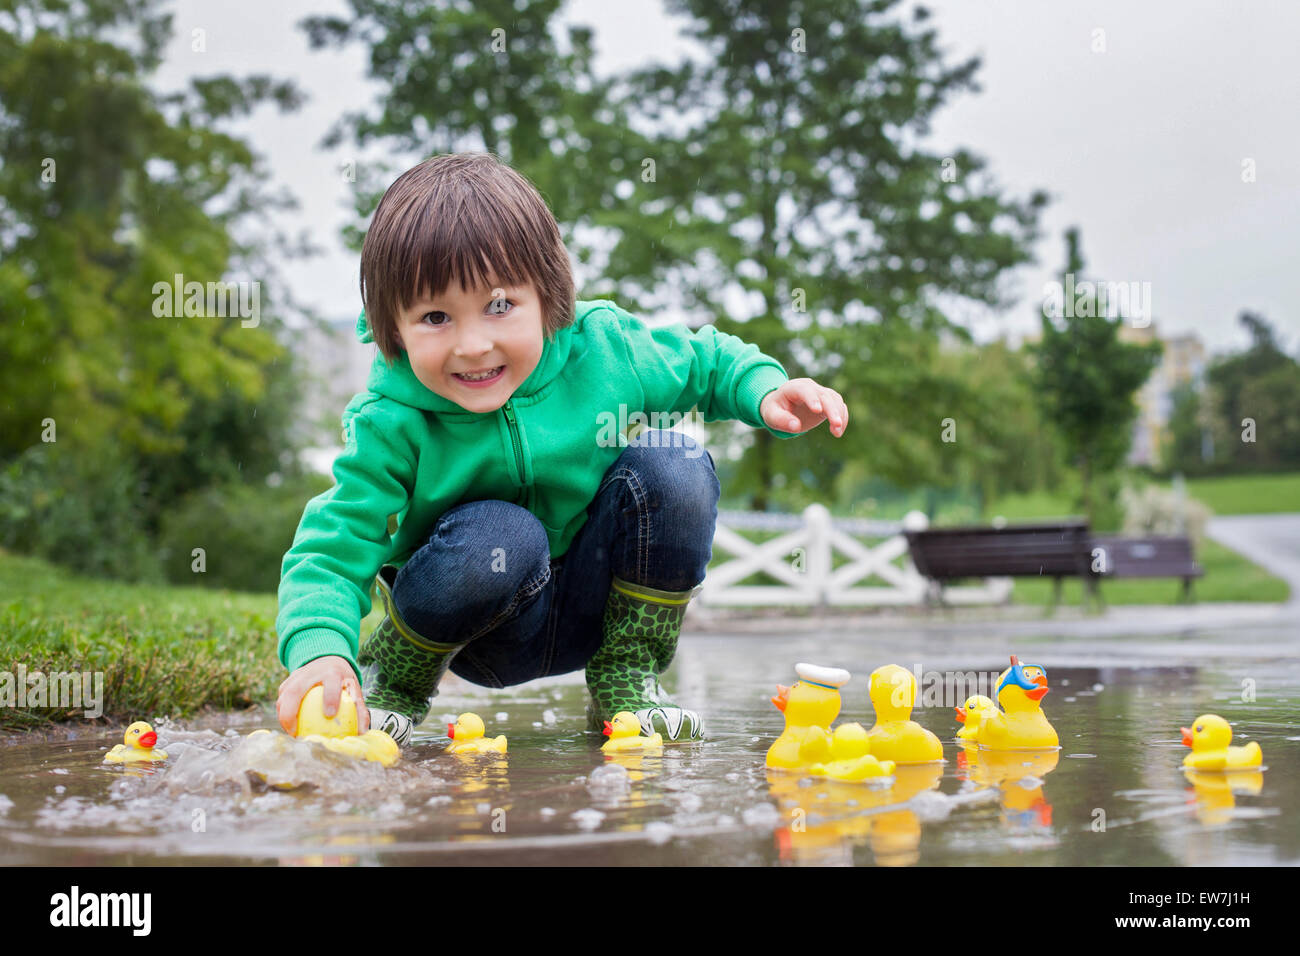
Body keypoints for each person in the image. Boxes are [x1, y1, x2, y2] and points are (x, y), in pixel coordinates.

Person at [274, 152, 849, 746]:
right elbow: (332, 548)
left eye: (500, 305)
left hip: (591, 607)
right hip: (476, 627)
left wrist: (766, 390)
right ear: (391, 327)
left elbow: (703, 360)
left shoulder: (603, 349)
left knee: (675, 462)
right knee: (501, 531)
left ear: (549, 296)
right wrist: (319, 649)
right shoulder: (391, 420)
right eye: (436, 316)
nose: (473, 344)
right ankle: (394, 680)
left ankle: (628, 676)